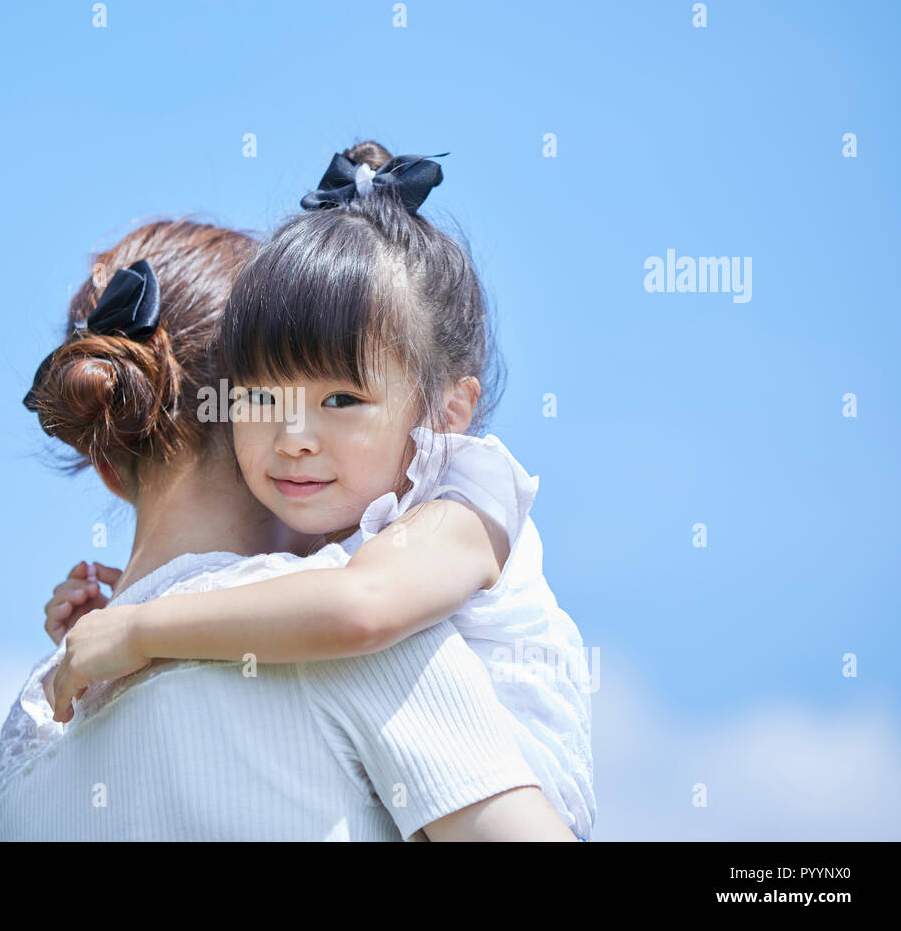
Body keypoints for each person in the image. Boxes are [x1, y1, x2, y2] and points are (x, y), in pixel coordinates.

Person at [44, 142, 594, 840]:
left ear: (446, 414)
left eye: (341, 398)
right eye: (262, 399)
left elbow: (358, 607)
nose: (294, 437)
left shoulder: (463, 498)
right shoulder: (340, 508)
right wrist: (127, 596)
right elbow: (294, 595)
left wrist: (139, 628)